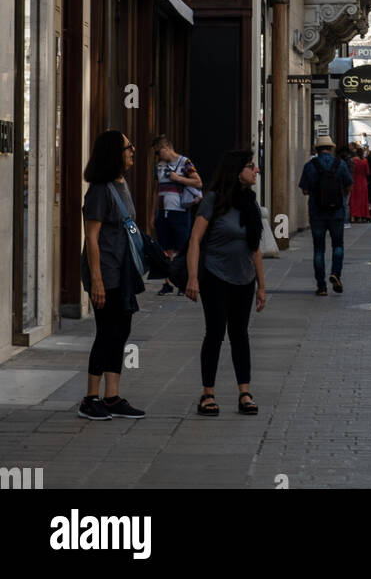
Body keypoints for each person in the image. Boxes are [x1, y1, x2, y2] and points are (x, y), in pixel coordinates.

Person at [185, 149, 266, 416]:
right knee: (215, 333)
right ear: (236, 171)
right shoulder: (213, 200)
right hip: (216, 276)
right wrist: (193, 277)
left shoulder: (250, 202)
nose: (255, 171)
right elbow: (195, 239)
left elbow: (255, 247)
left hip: (245, 279)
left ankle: (245, 392)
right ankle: (207, 394)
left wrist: (262, 286)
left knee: (240, 335)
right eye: (250, 167)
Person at [79, 130, 146, 420]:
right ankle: (90, 398)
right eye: (129, 147)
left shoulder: (122, 184)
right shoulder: (99, 190)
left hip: (124, 272)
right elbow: (91, 238)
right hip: (104, 273)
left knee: (121, 332)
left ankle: (112, 397)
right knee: (106, 333)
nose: (133, 151)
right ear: (114, 154)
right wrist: (96, 280)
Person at [298, 135, 353, 295]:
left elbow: (305, 190)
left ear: (316, 149)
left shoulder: (310, 166)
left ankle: (321, 286)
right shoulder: (340, 164)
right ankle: (335, 273)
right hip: (336, 212)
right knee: (338, 245)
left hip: (317, 212)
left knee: (319, 249)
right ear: (331, 148)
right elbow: (349, 185)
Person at [150, 134, 202, 295]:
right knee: (166, 248)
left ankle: (182, 282)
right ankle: (168, 282)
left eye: (158, 152)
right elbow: (156, 190)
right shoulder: (159, 166)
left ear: (166, 148)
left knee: (181, 247)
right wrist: (153, 213)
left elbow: (198, 182)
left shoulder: (184, 162)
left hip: (180, 211)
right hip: (163, 212)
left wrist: (178, 178)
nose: (158, 156)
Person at [349, 145, 371, 223]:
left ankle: (353, 216)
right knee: (363, 199)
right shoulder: (365, 161)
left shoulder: (353, 160)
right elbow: (367, 172)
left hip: (354, 181)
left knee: (354, 199)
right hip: (363, 181)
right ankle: (362, 216)